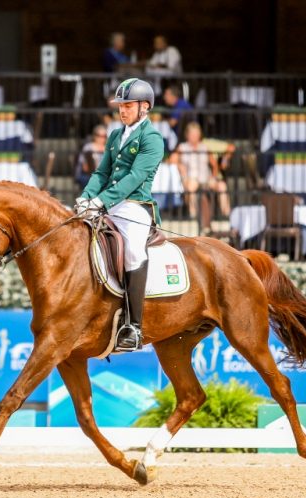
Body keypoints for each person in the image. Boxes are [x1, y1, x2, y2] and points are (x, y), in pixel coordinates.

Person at [74, 78, 164, 351]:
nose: (122, 111)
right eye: (120, 106)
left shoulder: (152, 138)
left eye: (128, 105)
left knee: (134, 251)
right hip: (107, 203)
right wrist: (86, 197)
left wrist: (102, 201)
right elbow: (102, 172)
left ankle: (134, 326)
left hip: (135, 205)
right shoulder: (115, 135)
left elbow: (136, 177)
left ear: (144, 107)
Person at [172, 122, 230, 217]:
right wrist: (179, 165)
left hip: (206, 179)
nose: (195, 136)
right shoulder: (182, 147)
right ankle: (193, 215)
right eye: (192, 134)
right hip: (190, 179)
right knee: (192, 185)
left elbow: (214, 165)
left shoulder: (204, 147)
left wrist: (214, 176)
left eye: (197, 134)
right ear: (187, 135)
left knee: (222, 186)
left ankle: (226, 214)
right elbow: (172, 161)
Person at [74, 125, 108, 191]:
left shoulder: (108, 148)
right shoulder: (88, 147)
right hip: (90, 174)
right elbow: (85, 167)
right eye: (98, 135)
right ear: (94, 136)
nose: (101, 138)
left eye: (104, 136)